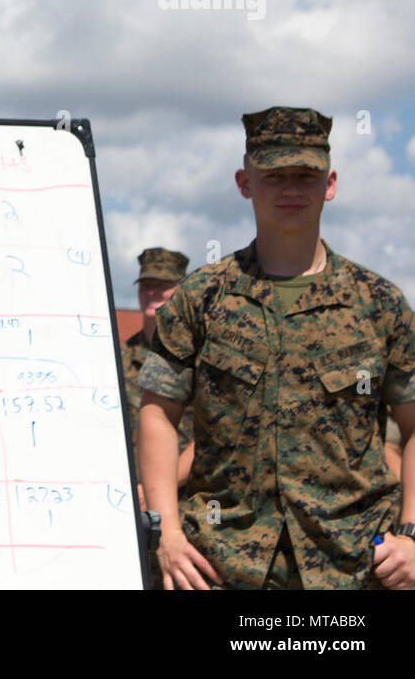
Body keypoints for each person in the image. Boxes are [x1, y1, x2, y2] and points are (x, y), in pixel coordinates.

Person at [139, 107, 415, 590]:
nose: (291, 189)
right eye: (274, 175)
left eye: (305, 175)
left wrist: (412, 535)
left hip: (354, 568)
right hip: (221, 565)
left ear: (329, 184)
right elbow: (158, 413)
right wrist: (166, 533)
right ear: (245, 182)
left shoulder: (380, 303)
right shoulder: (202, 297)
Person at [121, 247, 193, 484]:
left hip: (183, 500)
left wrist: (156, 491)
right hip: (127, 499)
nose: (152, 292)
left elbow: (211, 436)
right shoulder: (120, 357)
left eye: (162, 285)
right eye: (146, 285)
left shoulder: (197, 356)